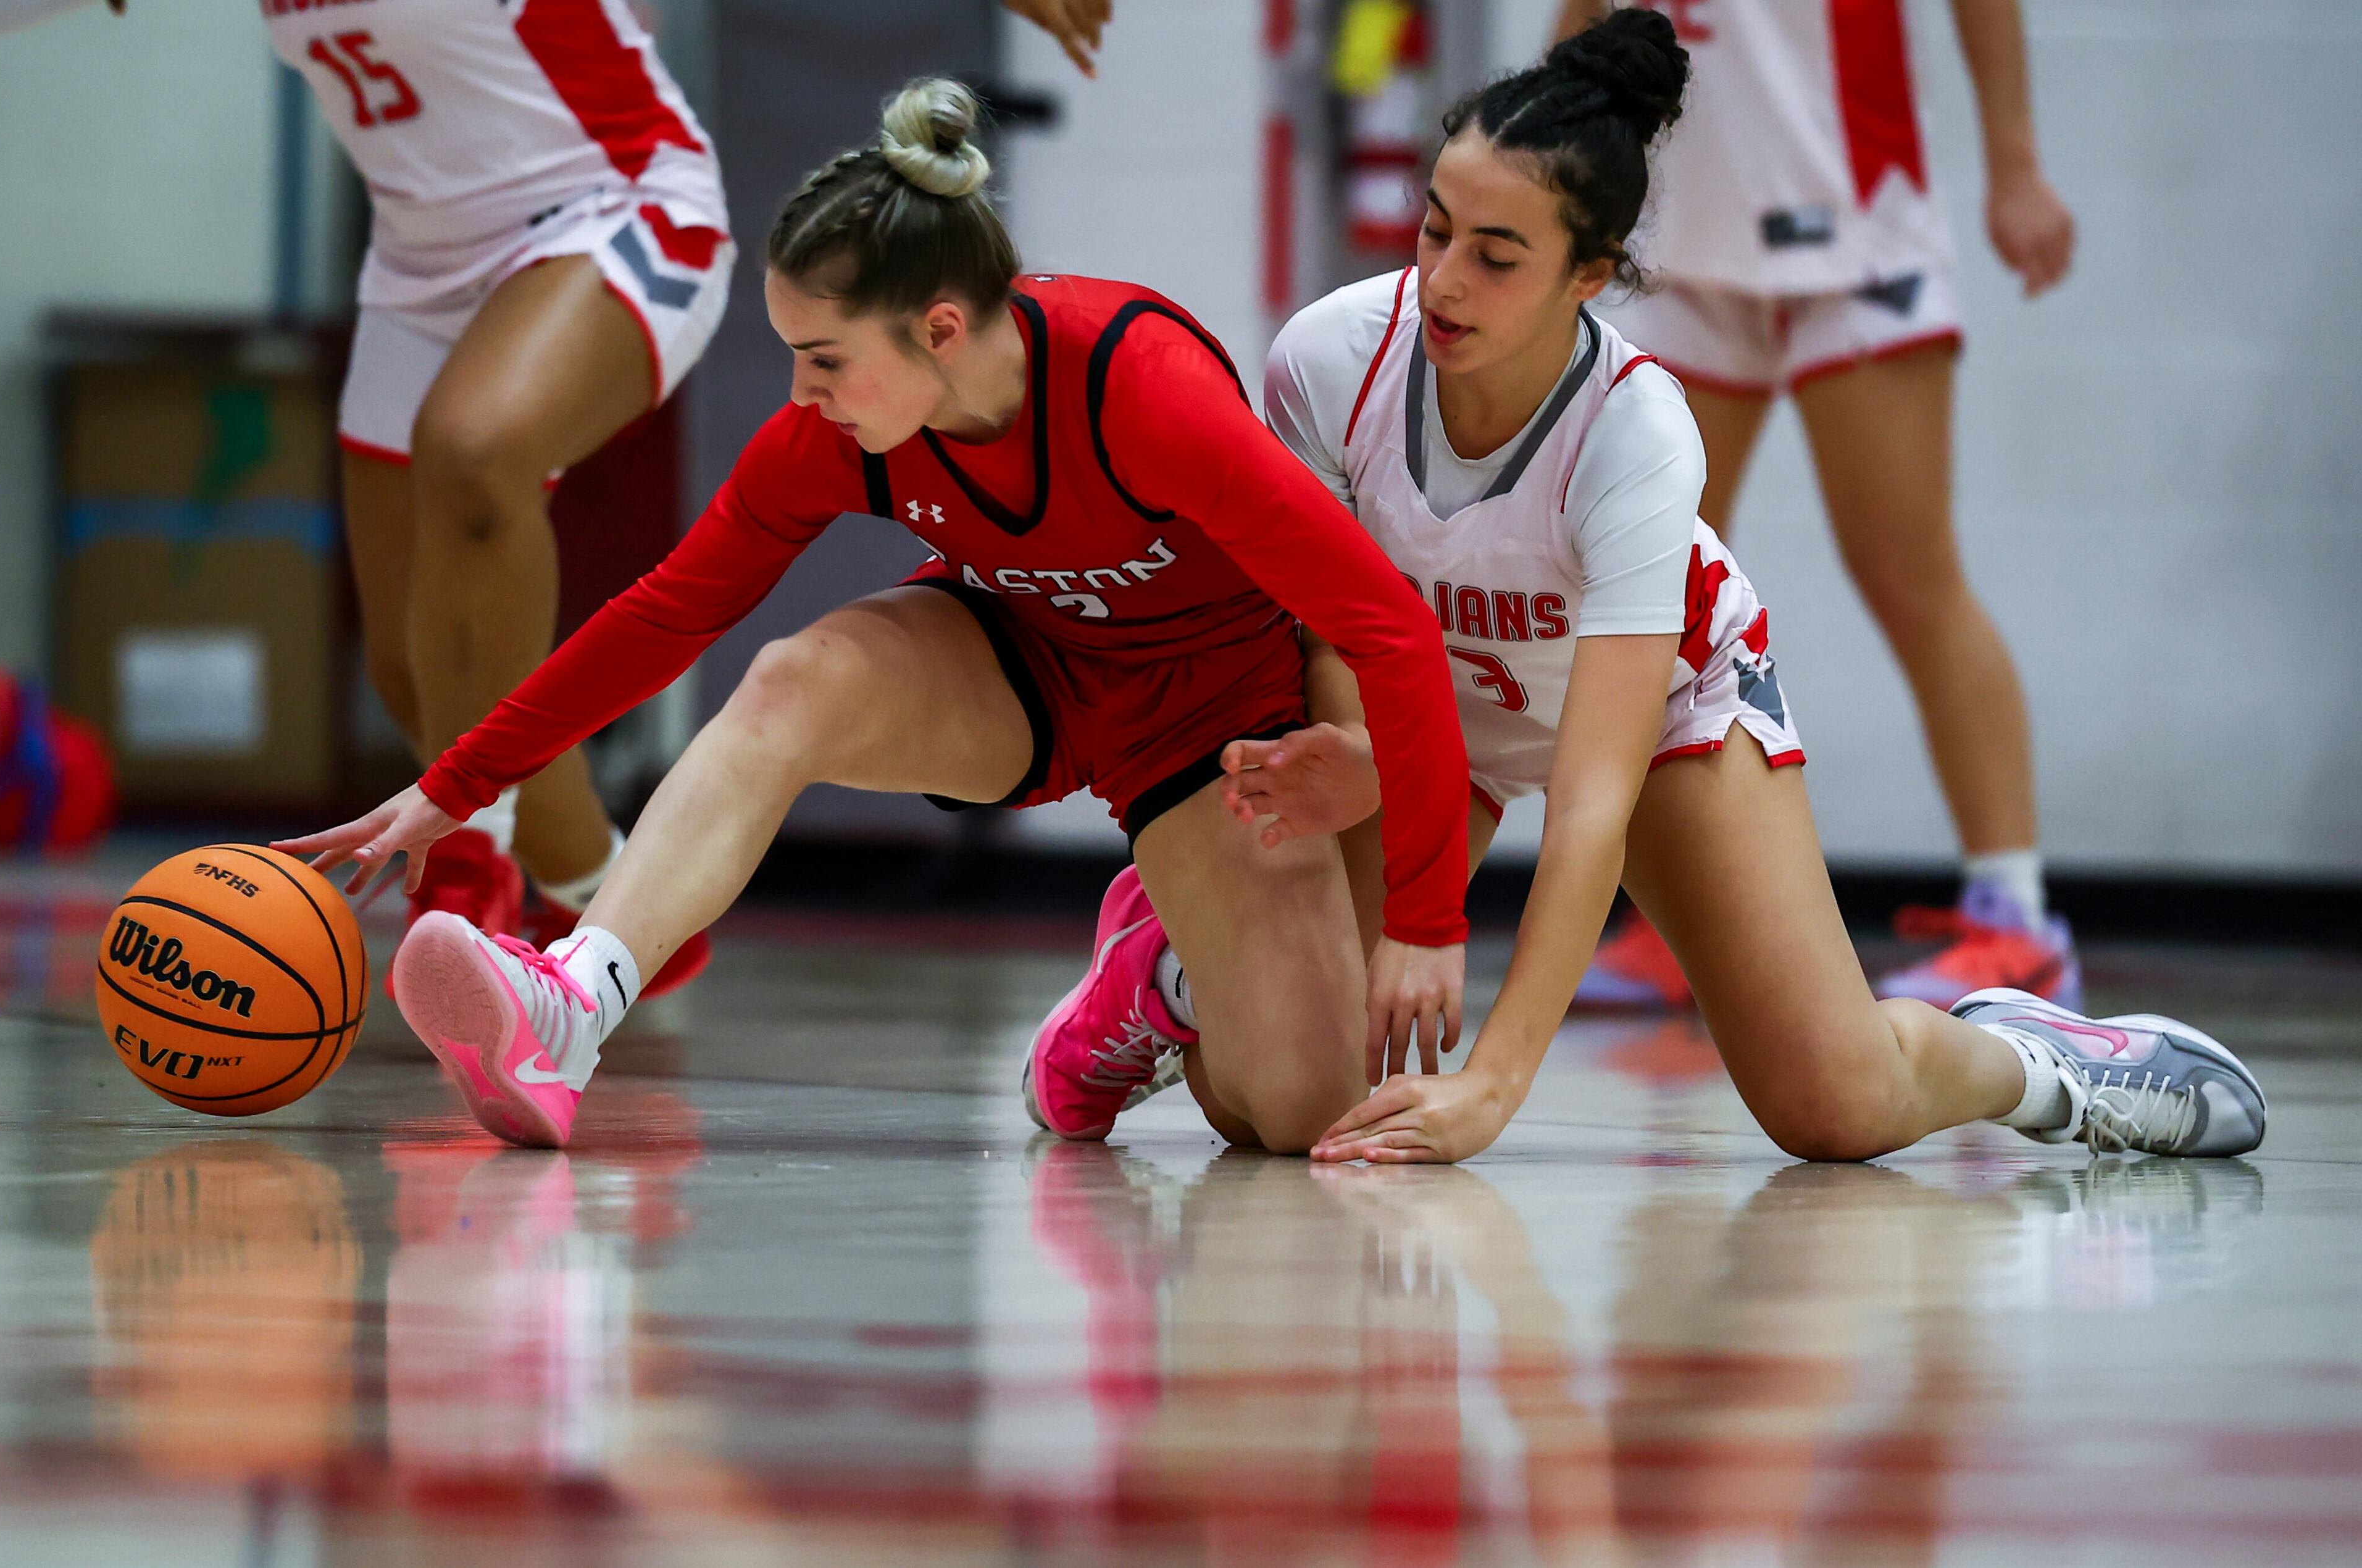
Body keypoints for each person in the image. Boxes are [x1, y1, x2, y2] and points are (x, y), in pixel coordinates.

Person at [1026, 11, 2264, 1164]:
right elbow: (1326, 629)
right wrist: (1363, 754)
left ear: (1590, 274)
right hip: (1424, 721)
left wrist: (1494, 1084)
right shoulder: (1329, 360)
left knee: (1834, 1107)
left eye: (1496, 256)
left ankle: (2040, 1063)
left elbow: (1590, 799)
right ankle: (1166, 975)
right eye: (1435, 229)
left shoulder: (1638, 434)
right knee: (1278, 1098)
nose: (1443, 281)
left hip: (1655, 719)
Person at [279, 80, 1474, 1155]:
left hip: (1214, 715)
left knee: (1300, 1113)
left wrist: (1426, 925)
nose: (803, 392)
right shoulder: (837, 434)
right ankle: (573, 999)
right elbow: (669, 612)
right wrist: (456, 783)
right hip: (1020, 660)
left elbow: (1391, 633)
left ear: (940, 329)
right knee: (792, 679)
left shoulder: (1144, 392)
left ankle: (1154, 980)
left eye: (824, 358)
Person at [0, 0, 1122, 1003]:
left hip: (619, 208)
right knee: (420, 673)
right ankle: (606, 900)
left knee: (473, 450)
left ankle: (466, 877)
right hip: (420, 269)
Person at [1551, 0, 2080, 1012]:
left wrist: (2016, 166)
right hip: (1685, 235)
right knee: (1658, 585)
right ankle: (1679, 916)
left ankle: (2018, 923)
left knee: (1909, 576)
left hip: (1858, 231)